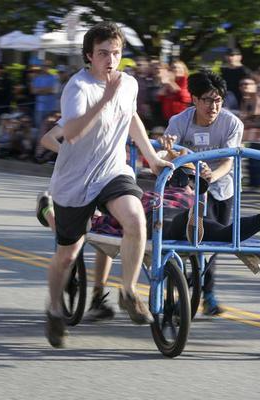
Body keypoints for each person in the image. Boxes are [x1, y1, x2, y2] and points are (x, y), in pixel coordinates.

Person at [37, 129, 260, 321]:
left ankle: (47, 211)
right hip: (179, 215)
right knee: (222, 233)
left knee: (200, 228)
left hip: (167, 218)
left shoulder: (148, 195)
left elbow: (105, 224)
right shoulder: (168, 194)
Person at [43, 22, 173, 348]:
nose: (111, 60)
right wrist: (105, 98)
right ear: (89, 56)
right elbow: (71, 132)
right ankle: (55, 308)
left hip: (112, 171)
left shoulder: (127, 84)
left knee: (135, 218)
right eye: (103, 54)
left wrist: (152, 157)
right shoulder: (78, 87)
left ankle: (128, 291)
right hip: (74, 181)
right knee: (67, 255)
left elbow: (131, 118)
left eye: (116, 53)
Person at [165, 70, 243, 315]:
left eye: (218, 99)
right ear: (195, 100)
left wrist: (212, 176)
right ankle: (191, 293)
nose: (214, 105)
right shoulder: (180, 121)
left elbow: (229, 161)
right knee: (197, 239)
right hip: (191, 190)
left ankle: (207, 292)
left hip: (223, 187)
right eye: (207, 100)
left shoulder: (232, 123)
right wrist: (172, 150)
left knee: (217, 241)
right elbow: (171, 150)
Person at [31, 60, 59, 133]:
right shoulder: (37, 78)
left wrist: (40, 90)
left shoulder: (53, 78)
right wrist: (46, 90)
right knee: (39, 128)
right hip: (39, 107)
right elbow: (33, 91)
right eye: (44, 66)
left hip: (50, 107)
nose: (46, 68)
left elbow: (53, 90)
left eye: (47, 66)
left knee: (49, 128)